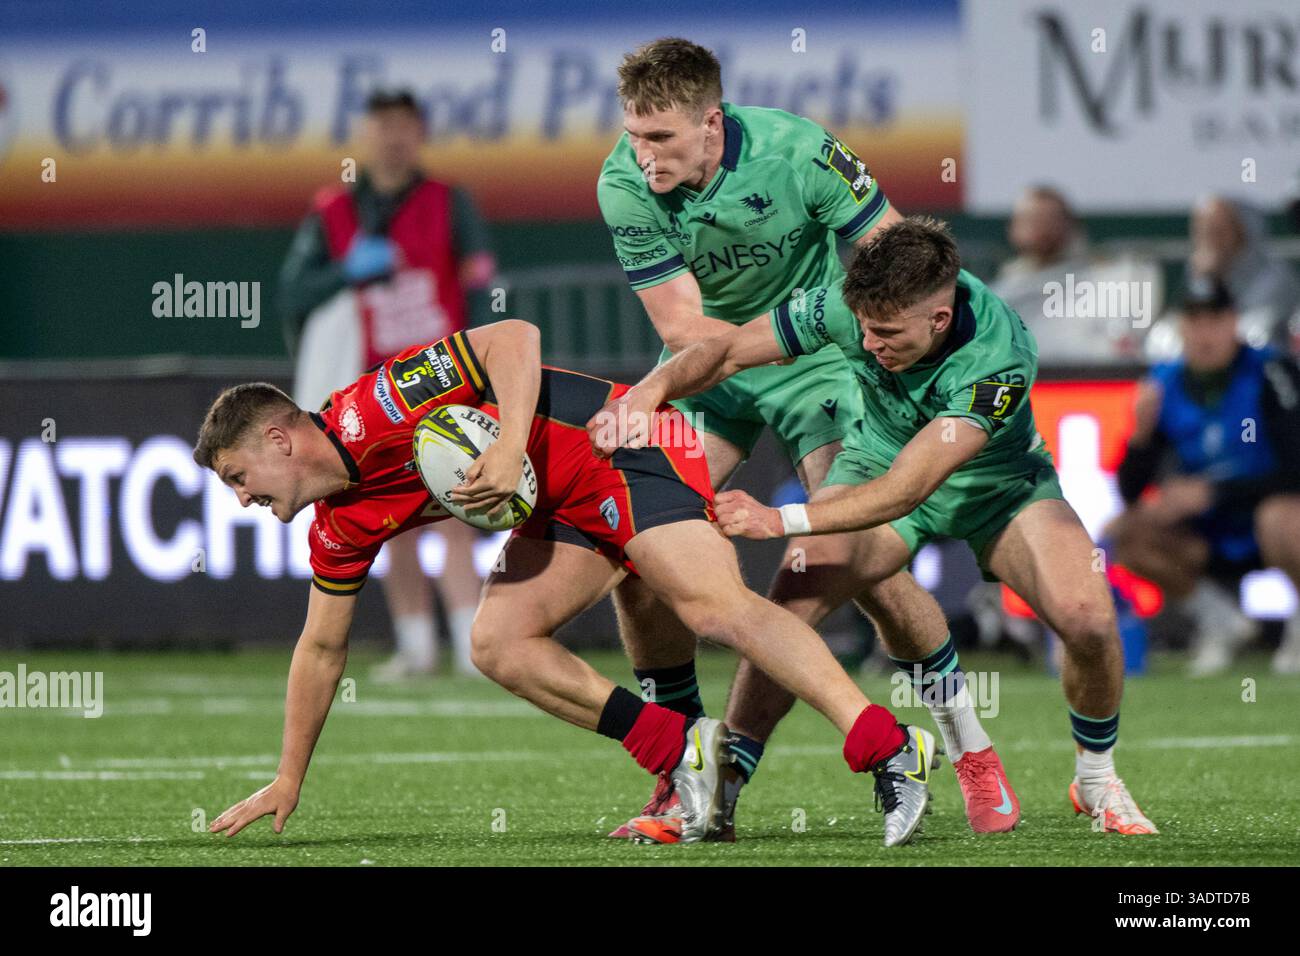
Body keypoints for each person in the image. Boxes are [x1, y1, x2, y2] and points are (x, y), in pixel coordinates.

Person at [197, 320, 940, 848]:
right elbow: (321, 649)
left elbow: (512, 335)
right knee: (497, 642)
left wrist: (512, 440)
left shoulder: (378, 407)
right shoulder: (336, 525)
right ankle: (684, 751)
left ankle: (890, 747)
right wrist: (288, 778)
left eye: (238, 478)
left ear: (278, 439)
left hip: (628, 442)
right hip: (564, 503)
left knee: (713, 605)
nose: (241, 498)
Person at [593, 217, 1159, 835]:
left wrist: (778, 517)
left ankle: (1097, 780)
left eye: (886, 334)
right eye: (863, 328)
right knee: (793, 598)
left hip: (997, 487)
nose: (869, 344)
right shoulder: (850, 304)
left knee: (1087, 618)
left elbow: (907, 491)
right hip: (878, 459)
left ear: (939, 321)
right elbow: (727, 349)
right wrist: (648, 392)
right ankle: (721, 789)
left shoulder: (997, 356)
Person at [596, 37, 1015, 841]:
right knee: (636, 556)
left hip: (819, 361)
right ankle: (684, 769)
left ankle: (969, 745)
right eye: (633, 134)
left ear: (711, 124)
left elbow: (898, 255)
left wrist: (912, 362)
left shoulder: (801, 152)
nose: (642, 155)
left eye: (662, 139)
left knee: (853, 550)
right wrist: (703, 367)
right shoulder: (624, 183)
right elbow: (682, 325)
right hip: (708, 369)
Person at [278, 89, 497, 679]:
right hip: (370, 393)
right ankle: (418, 646)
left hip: (444, 380)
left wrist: (487, 372)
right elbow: (291, 294)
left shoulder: (450, 203)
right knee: (387, 518)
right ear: (366, 135)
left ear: (419, 133)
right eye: (382, 126)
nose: (393, 138)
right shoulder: (333, 212)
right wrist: (341, 273)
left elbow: (481, 285)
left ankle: (472, 644)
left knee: (455, 513)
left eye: (404, 126)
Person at [1108, 279, 1300, 675]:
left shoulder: (1271, 371)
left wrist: (1215, 493)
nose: (1204, 333)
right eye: (1194, 320)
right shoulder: (1165, 382)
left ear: (1233, 322)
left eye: (1215, 319)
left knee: (1282, 518)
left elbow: (1295, 468)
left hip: (1268, 516)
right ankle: (1222, 622)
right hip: (1209, 533)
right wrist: (1141, 438)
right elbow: (1129, 490)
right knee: (1128, 531)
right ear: (1182, 328)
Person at [992, 185, 1158, 365]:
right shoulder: (997, 294)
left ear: (1070, 225)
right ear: (1012, 229)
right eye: (1029, 219)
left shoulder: (1106, 281)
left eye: (1048, 219)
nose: (1040, 228)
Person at [1186, 196, 1300, 353]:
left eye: (1219, 231)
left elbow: (1257, 334)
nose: (1211, 241)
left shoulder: (1276, 277)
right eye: (1203, 232)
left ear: (1244, 235)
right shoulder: (1200, 276)